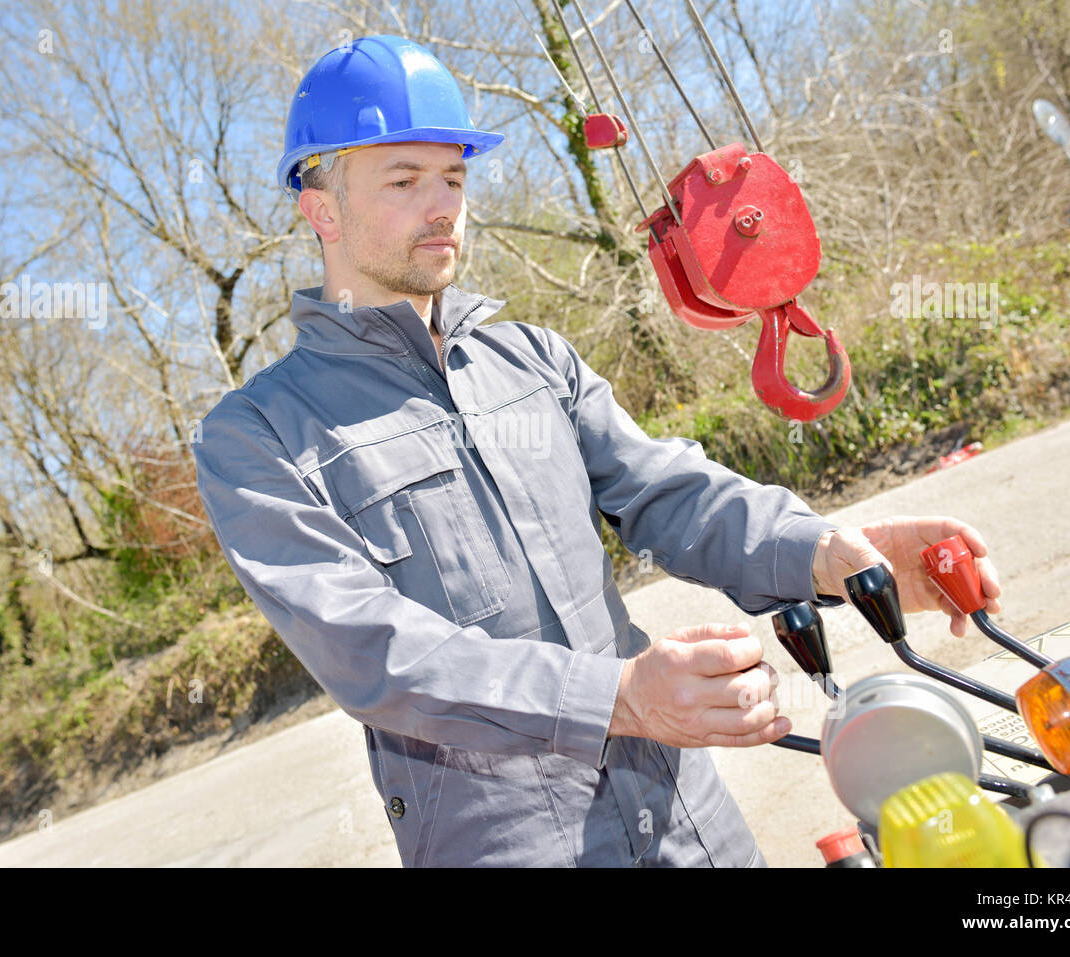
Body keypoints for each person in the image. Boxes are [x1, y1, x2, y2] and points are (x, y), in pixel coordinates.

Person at [192, 34, 1003, 866]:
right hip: (509, 844)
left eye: (456, 178)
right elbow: (376, 649)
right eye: (405, 180)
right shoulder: (258, 436)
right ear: (321, 207)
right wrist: (617, 697)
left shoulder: (534, 361)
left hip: (691, 823)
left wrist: (826, 552)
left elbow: (669, 491)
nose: (443, 206)